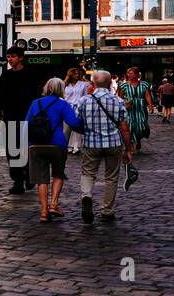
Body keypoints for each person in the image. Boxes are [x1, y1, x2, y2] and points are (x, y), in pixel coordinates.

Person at [73, 70, 130, 224]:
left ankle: (86, 196)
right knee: (111, 178)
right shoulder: (118, 101)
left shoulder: (84, 100)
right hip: (114, 143)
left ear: (93, 83)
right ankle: (107, 210)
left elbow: (76, 123)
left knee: (88, 173)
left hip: (92, 143)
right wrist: (128, 149)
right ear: (110, 82)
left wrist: (87, 131)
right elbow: (124, 127)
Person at [25, 79, 84, 222]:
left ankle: (44, 211)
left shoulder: (35, 103)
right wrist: (86, 129)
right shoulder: (63, 104)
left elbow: (26, 124)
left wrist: (26, 145)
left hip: (36, 145)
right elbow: (74, 123)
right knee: (58, 174)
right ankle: (54, 204)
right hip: (57, 144)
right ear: (61, 90)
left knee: (41, 179)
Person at [0, 46, 41, 194]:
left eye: (13, 56)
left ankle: (29, 174)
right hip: (10, 116)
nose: (10, 59)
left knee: (27, 148)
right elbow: (0, 96)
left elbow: (37, 96)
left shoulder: (31, 74)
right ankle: (17, 181)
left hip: (28, 116)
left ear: (21, 57)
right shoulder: (5, 76)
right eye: (8, 57)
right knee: (12, 150)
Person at [116, 67, 153, 153]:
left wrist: (150, 105)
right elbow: (119, 97)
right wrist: (120, 106)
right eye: (128, 73)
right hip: (129, 108)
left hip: (141, 108)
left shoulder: (144, 84)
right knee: (130, 126)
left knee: (141, 125)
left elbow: (147, 95)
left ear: (137, 75)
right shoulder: (123, 85)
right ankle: (131, 145)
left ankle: (138, 140)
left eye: (131, 73)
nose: (129, 75)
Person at [62, 68, 89, 155]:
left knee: (77, 128)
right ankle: (66, 146)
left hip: (78, 107)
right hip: (67, 108)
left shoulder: (83, 84)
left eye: (78, 73)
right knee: (66, 128)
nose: (77, 75)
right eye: (75, 74)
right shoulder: (64, 84)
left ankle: (76, 146)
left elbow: (85, 96)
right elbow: (62, 96)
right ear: (70, 75)